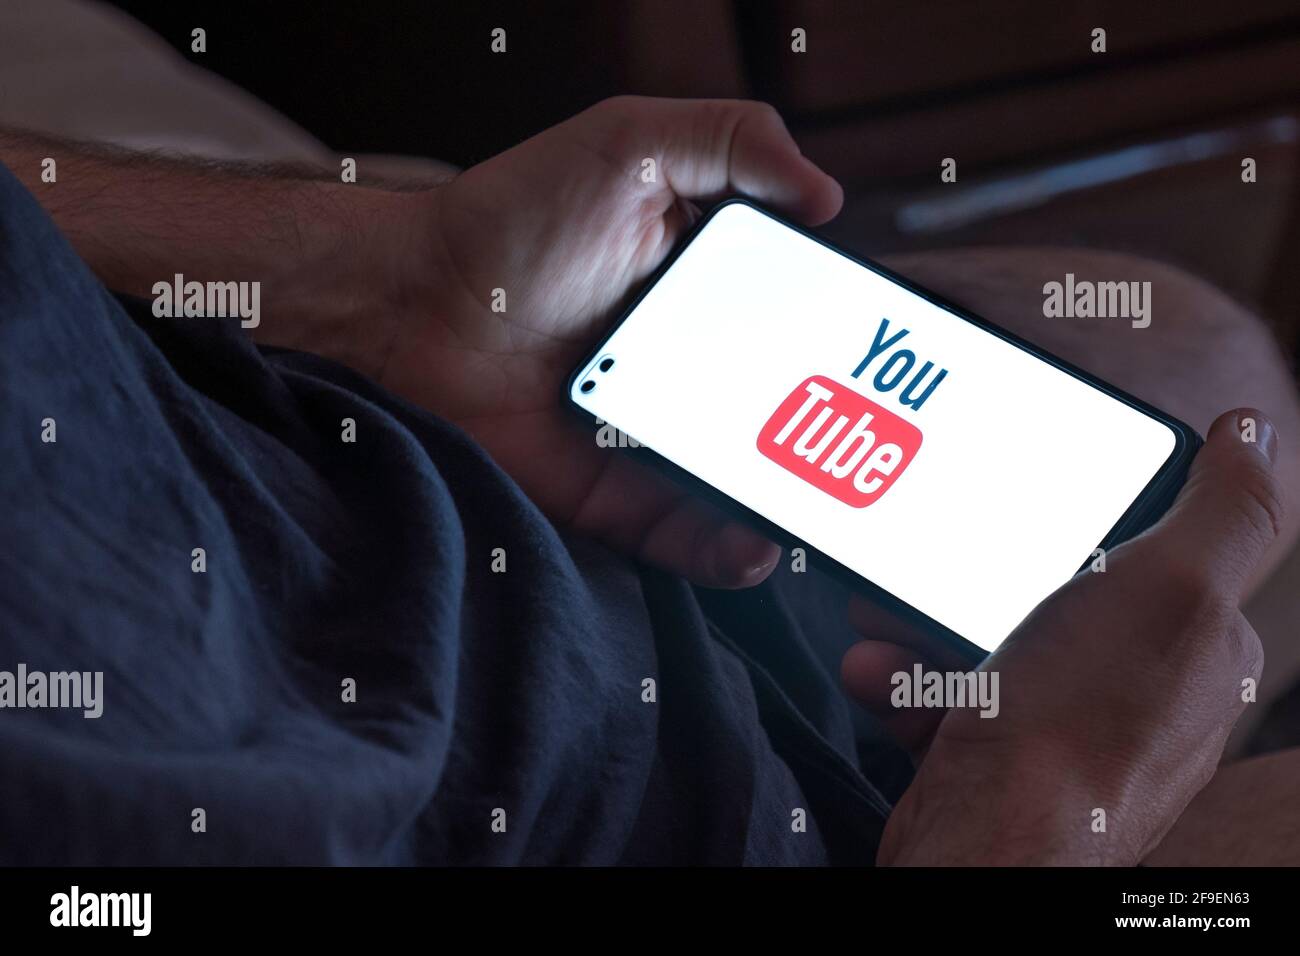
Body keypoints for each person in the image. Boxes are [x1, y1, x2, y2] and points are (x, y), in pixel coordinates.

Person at [0, 97, 1295, 865]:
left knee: (1205, 354)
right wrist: (1020, 826)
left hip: (382, 438)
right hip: (641, 805)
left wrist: (389, 281)